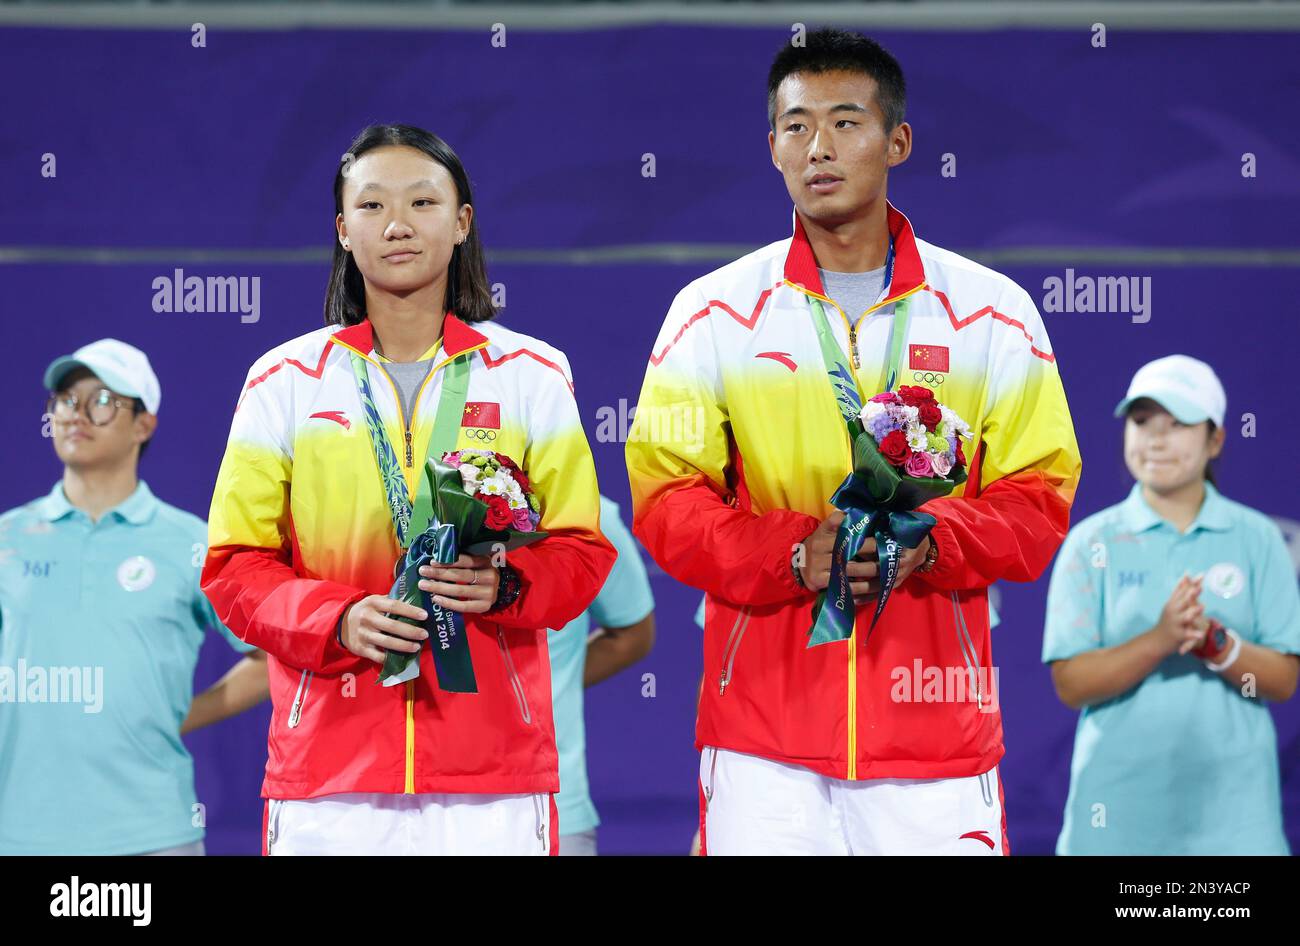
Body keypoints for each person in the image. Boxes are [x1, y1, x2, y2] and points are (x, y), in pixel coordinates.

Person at [625, 28, 1081, 855]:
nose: (819, 147)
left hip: (935, 738)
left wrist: (930, 541)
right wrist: (792, 553)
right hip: (762, 742)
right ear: (771, 148)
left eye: (846, 121)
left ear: (898, 141)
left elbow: (1039, 499)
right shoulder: (713, 313)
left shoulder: (992, 312)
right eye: (796, 126)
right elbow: (666, 502)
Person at [202, 123, 615, 856]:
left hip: (495, 778)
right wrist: (336, 619)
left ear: (461, 223)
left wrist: (507, 585)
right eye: (371, 207)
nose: (396, 224)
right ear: (342, 229)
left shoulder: (531, 373)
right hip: (330, 775)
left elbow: (581, 552)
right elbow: (234, 567)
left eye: (423, 202)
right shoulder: (283, 381)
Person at [0, 339, 269, 855]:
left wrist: (175, 715)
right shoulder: (9, 539)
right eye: (65, 399)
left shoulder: (190, 543)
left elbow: (271, 660)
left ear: (144, 425)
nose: (76, 413)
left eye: (102, 400)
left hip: (153, 833)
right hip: (19, 835)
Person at [1043, 355, 1300, 855]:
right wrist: (1160, 640)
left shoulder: (1259, 538)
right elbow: (1071, 684)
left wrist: (1215, 643)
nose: (1155, 439)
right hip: (1114, 823)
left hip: (1236, 823)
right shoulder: (1091, 541)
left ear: (1216, 439)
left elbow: (1283, 679)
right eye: (1141, 421)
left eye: (1179, 422)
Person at [549, 495, 655, 856]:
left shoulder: (590, 513)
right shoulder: (390, 507)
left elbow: (631, 634)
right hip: (401, 802)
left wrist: (527, 692)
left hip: (555, 810)